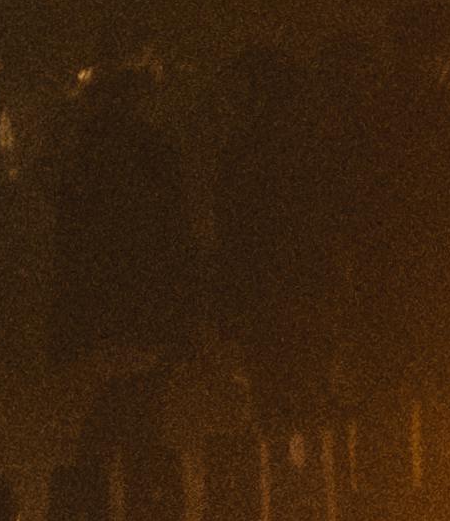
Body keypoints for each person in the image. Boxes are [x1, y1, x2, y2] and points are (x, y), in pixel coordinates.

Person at [348, 7, 450, 500]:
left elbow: (359, 196)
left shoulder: (371, 113)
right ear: (444, 56)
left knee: (391, 384)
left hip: (386, 265)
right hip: (445, 260)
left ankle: (391, 491)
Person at [45, 37, 209, 457]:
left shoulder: (88, 155)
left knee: (121, 411)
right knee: (134, 412)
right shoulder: (143, 151)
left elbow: (70, 234)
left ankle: (102, 504)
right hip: (134, 299)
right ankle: (140, 506)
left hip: (114, 300)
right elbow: (174, 232)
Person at [206, 39, 350, 452]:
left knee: (272, 404)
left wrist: (227, 305)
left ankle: (285, 495)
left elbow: (232, 231)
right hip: (307, 288)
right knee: (312, 398)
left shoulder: (242, 149)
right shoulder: (312, 145)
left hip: (265, 294)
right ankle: (319, 494)